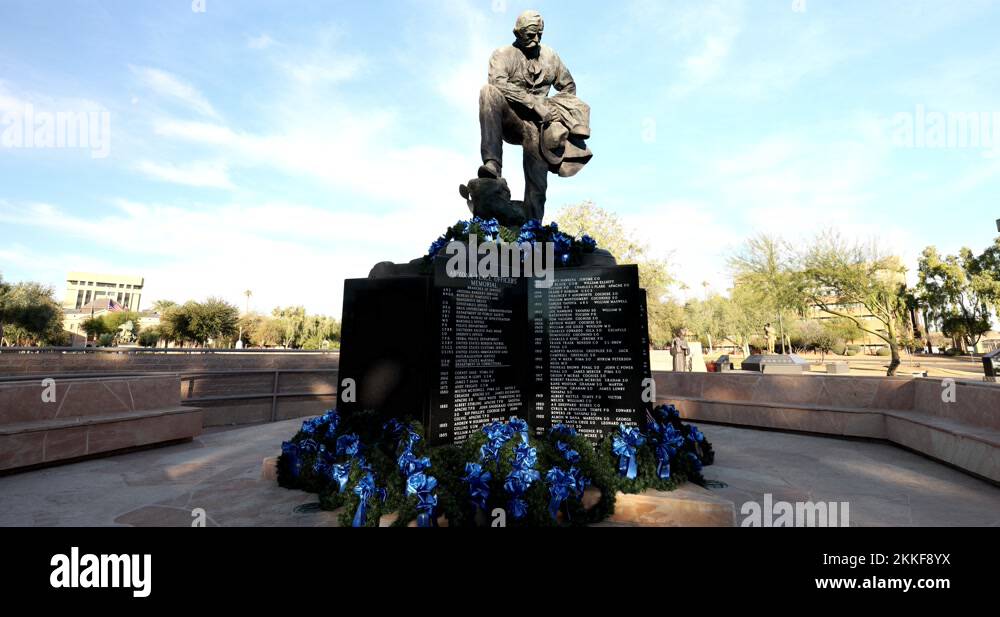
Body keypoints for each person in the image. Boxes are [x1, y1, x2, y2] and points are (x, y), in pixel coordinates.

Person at [478, 10, 592, 221]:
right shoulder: (503, 54)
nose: (536, 39)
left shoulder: (550, 56)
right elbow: (498, 83)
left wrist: (554, 107)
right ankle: (492, 164)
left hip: (539, 126)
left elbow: (568, 87)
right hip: (511, 118)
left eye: (540, 34)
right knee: (488, 93)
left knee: (537, 187)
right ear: (517, 32)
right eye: (531, 34)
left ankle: (533, 231)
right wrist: (534, 103)